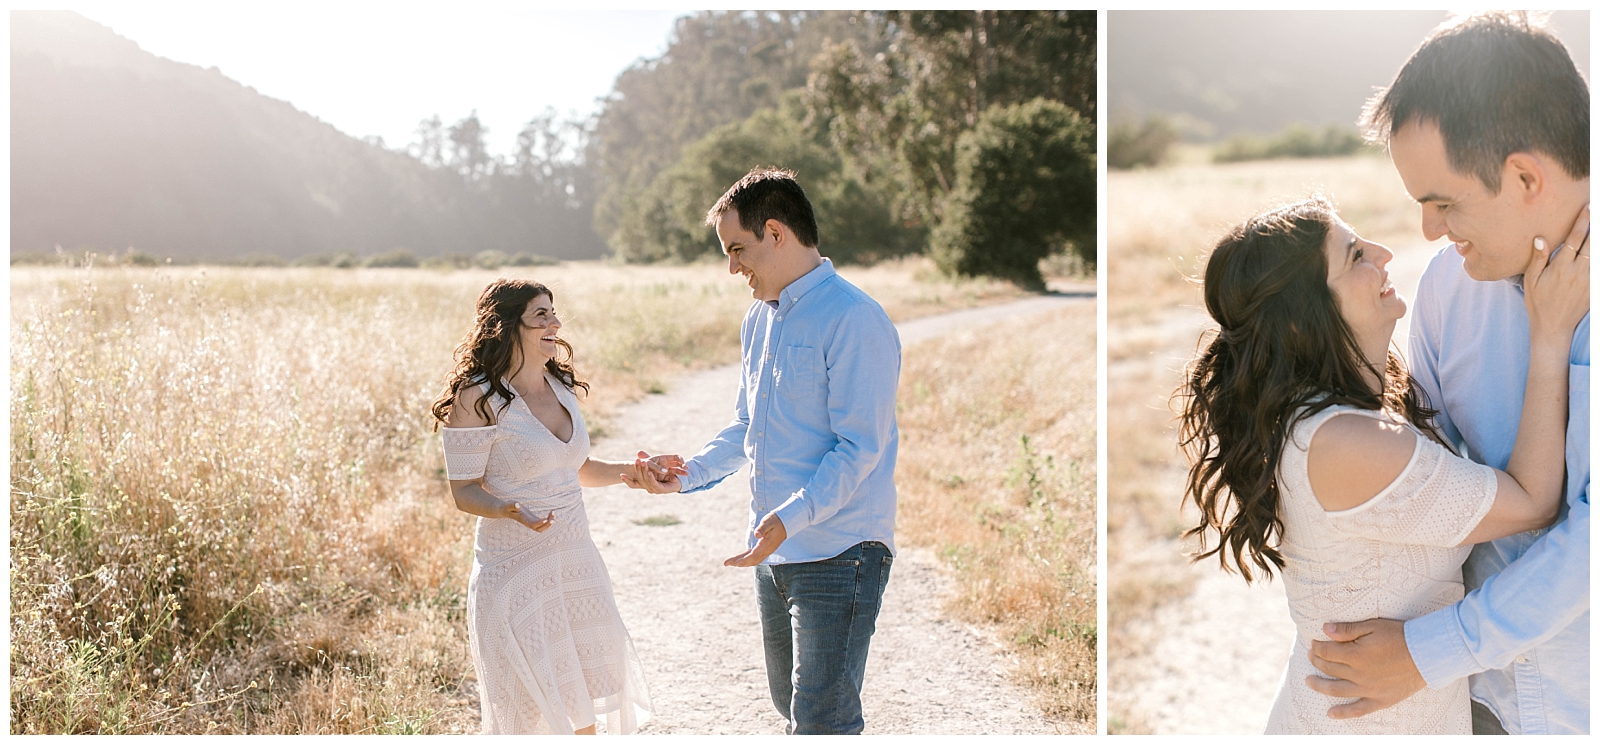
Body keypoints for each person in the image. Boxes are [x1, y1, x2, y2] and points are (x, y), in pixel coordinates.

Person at [1177, 196, 1588, 733]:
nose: (1385, 253)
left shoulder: (1356, 409)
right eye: (1354, 257)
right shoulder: (1348, 441)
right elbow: (1533, 500)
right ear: (1308, 316)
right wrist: (1552, 333)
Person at [1303, 12, 1591, 735]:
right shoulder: (1445, 286)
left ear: (1526, 175)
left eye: (1444, 202)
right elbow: (1431, 474)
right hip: (1478, 704)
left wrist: (1426, 652)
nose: (1429, 231)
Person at [621, 168, 901, 735]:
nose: (733, 268)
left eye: (737, 249)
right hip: (774, 552)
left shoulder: (854, 318)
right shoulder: (759, 319)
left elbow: (859, 446)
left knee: (820, 721)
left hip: (841, 550)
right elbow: (748, 426)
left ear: (776, 233)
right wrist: (687, 474)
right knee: (790, 704)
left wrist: (790, 517)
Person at [431, 279, 656, 735]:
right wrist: (508, 509)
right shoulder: (477, 398)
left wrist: (635, 472)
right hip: (515, 574)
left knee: (584, 712)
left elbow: (575, 467)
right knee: (532, 714)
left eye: (554, 313)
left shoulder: (560, 384)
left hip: (575, 565)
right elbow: (464, 491)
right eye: (541, 315)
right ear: (506, 325)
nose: (555, 324)